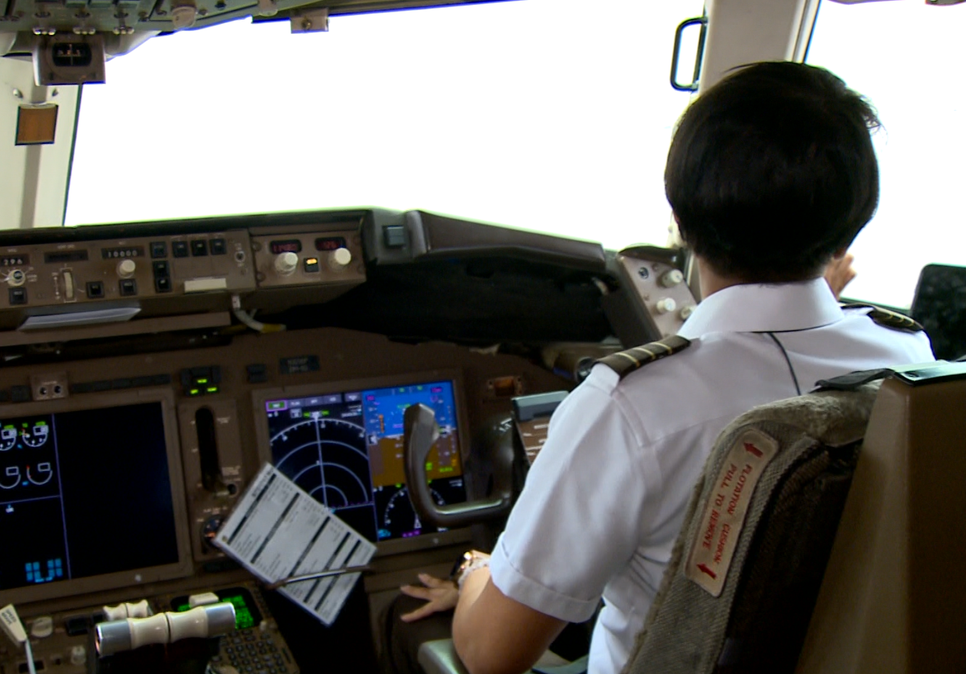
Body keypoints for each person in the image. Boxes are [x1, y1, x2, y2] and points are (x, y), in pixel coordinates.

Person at [393, 62, 934, 674]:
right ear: (851, 222)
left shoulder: (630, 406)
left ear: (680, 216)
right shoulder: (906, 361)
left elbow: (492, 653)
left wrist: (477, 574)